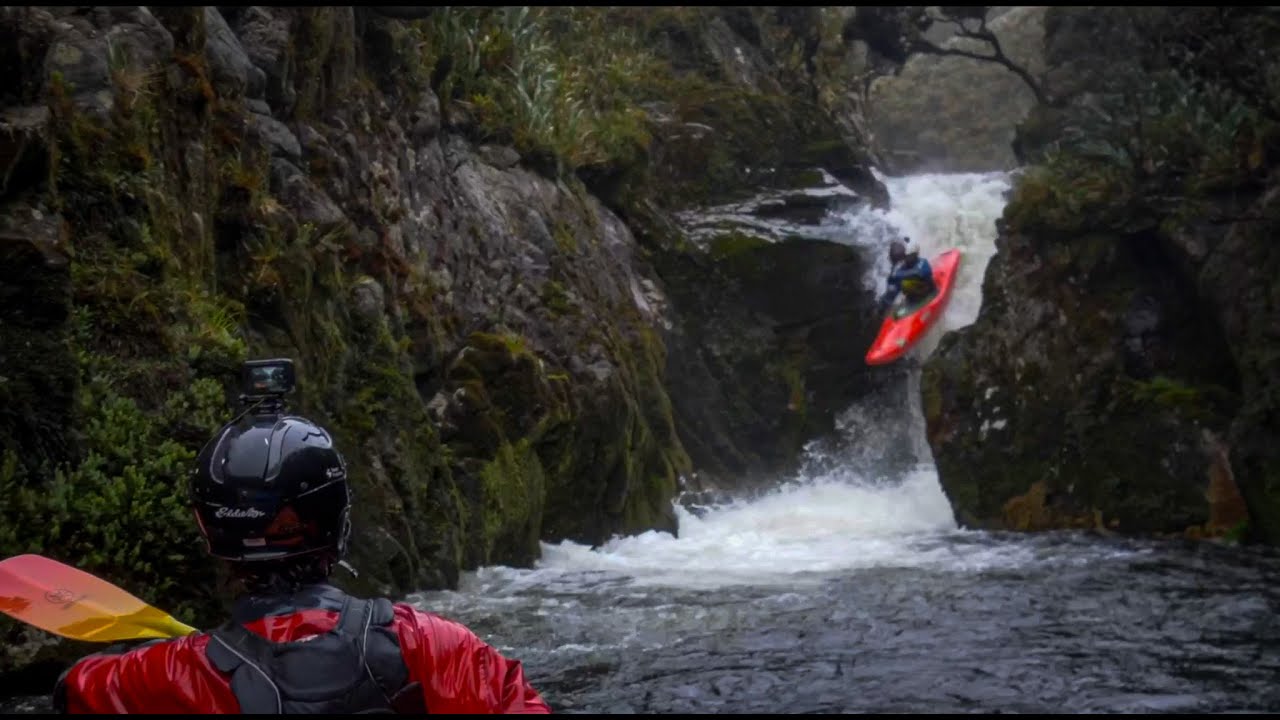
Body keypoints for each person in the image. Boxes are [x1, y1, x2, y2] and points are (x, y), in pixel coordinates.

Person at [52, 410, 552, 714]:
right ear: (337, 523)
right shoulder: (433, 644)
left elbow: (75, 690)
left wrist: (152, 653)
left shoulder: (168, 674)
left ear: (211, 532)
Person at [875, 237, 936, 316]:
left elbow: (921, 271)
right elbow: (892, 290)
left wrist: (898, 275)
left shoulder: (920, 263)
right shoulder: (904, 265)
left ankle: (921, 302)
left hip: (927, 293)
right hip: (916, 296)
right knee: (895, 308)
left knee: (904, 284)